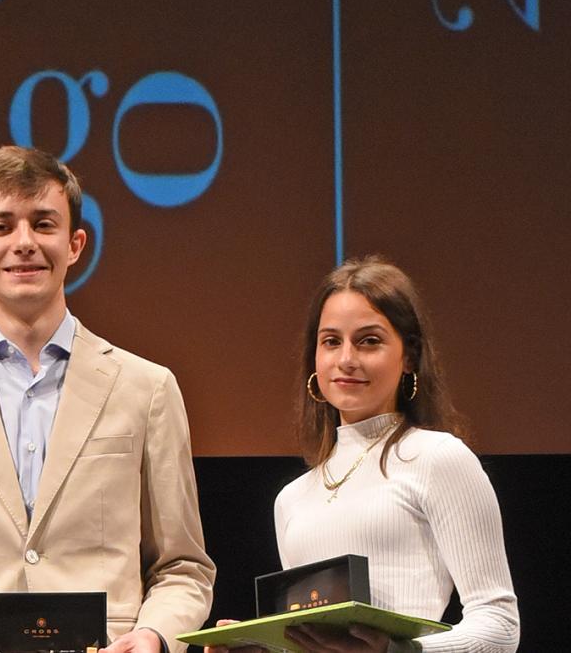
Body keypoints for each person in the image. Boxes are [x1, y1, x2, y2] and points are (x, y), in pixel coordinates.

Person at [0, 146, 215, 653]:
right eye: (2, 227)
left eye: (43, 224)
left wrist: (154, 635)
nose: (24, 243)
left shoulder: (147, 387)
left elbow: (184, 566)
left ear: (75, 244)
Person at [208, 257, 519, 653]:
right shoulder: (291, 498)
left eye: (369, 341)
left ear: (408, 356)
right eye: (331, 341)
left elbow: (501, 626)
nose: (346, 359)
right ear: (314, 358)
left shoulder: (439, 458)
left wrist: (397, 651)